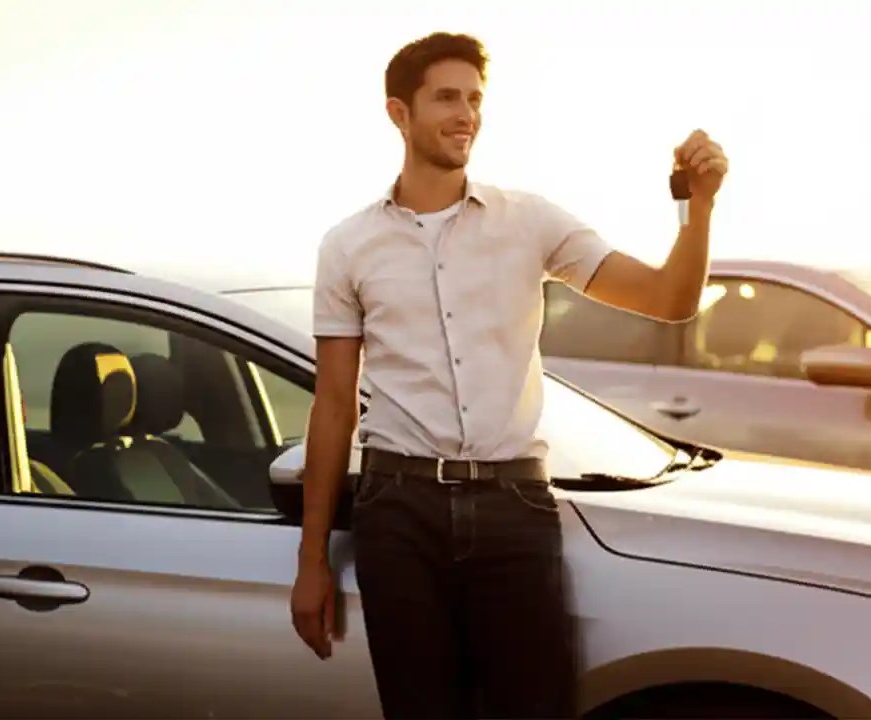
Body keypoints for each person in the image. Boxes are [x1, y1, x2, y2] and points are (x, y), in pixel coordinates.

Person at [289, 31, 728, 720]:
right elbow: (334, 406)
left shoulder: (531, 222)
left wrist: (696, 207)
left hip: (513, 508)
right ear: (398, 113)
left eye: (474, 99)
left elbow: (670, 299)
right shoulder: (348, 246)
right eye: (446, 98)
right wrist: (311, 558)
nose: (465, 114)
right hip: (398, 512)